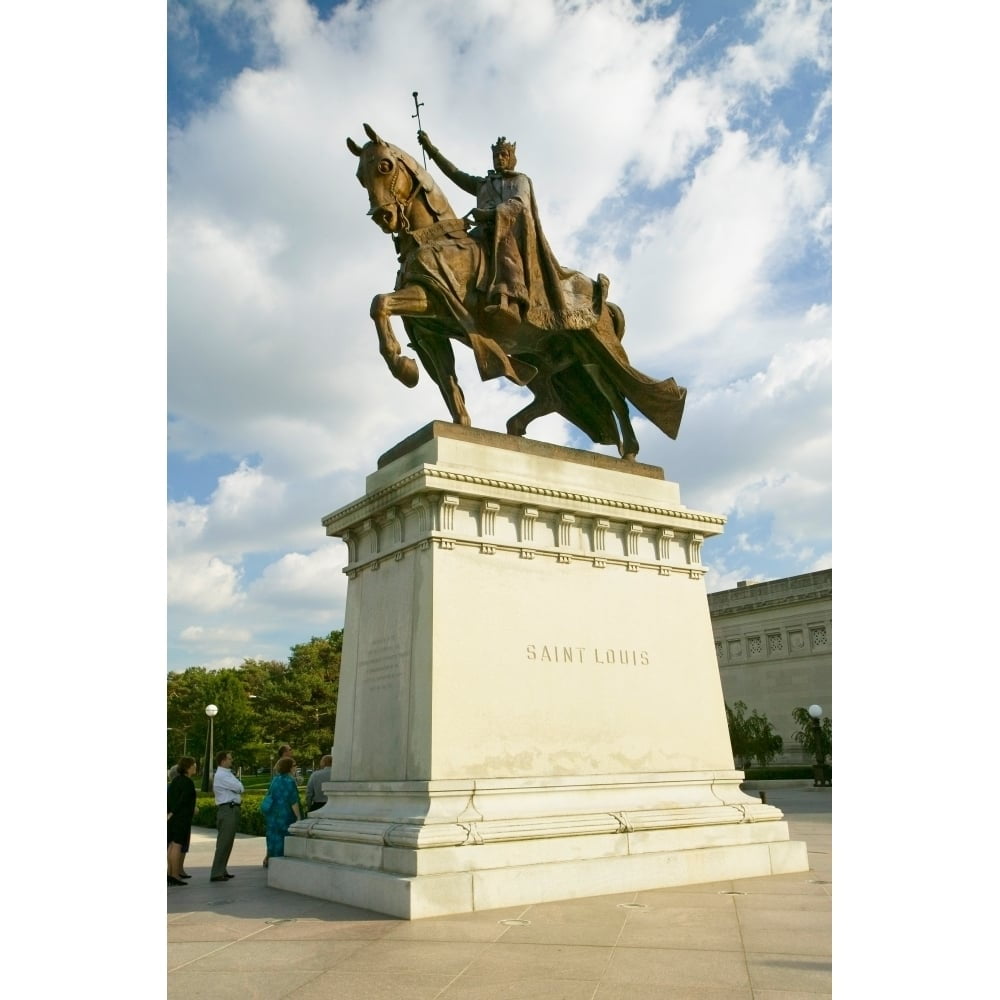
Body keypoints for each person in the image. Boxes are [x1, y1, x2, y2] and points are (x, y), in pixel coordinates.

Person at [417, 130, 590, 332]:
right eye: (496, 156)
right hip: (482, 233)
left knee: (506, 247)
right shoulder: (483, 184)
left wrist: (491, 214)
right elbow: (455, 174)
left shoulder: (520, 180)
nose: (499, 159)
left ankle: (511, 301)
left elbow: (519, 203)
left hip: (508, 230)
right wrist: (431, 150)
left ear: (511, 158)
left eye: (503, 155)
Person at [209, 750, 244, 882]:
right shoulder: (222, 776)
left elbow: (238, 787)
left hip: (231, 809)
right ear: (223, 761)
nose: (231, 760)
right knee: (224, 842)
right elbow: (240, 788)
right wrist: (238, 787)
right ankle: (216, 872)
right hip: (227, 809)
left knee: (227, 842)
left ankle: (222, 869)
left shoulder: (227, 774)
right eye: (229, 759)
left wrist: (238, 786)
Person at [263, 756, 301, 867]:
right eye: (294, 765)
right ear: (289, 768)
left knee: (273, 837)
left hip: (272, 814)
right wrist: (298, 817)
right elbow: (293, 800)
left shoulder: (275, 779)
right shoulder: (290, 781)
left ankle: (271, 859)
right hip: (285, 815)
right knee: (284, 839)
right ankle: (281, 864)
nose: (296, 767)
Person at [167, 757, 199, 886]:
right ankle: (174, 875)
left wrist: (169, 813)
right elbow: (183, 800)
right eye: (194, 765)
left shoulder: (175, 781)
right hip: (181, 818)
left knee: (171, 846)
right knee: (177, 845)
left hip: (173, 819)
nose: (195, 767)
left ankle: (170, 873)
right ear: (188, 767)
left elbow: (170, 799)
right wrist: (174, 812)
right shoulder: (187, 782)